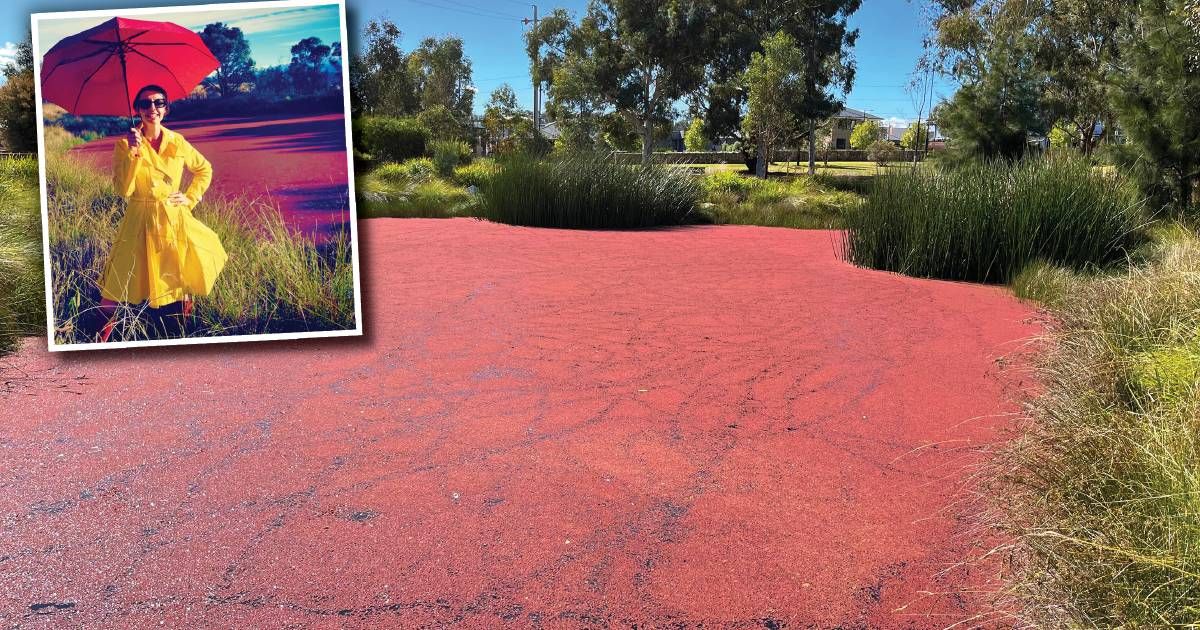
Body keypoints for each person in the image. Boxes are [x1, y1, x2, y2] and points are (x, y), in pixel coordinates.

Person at [97, 85, 227, 342]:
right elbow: (124, 190)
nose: (152, 108)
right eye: (145, 104)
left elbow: (204, 169)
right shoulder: (124, 145)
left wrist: (189, 198)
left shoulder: (177, 141)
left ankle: (181, 338)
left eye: (158, 103)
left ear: (166, 108)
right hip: (138, 219)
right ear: (137, 110)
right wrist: (134, 153)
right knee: (116, 285)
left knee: (179, 282)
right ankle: (97, 342)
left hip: (172, 219)